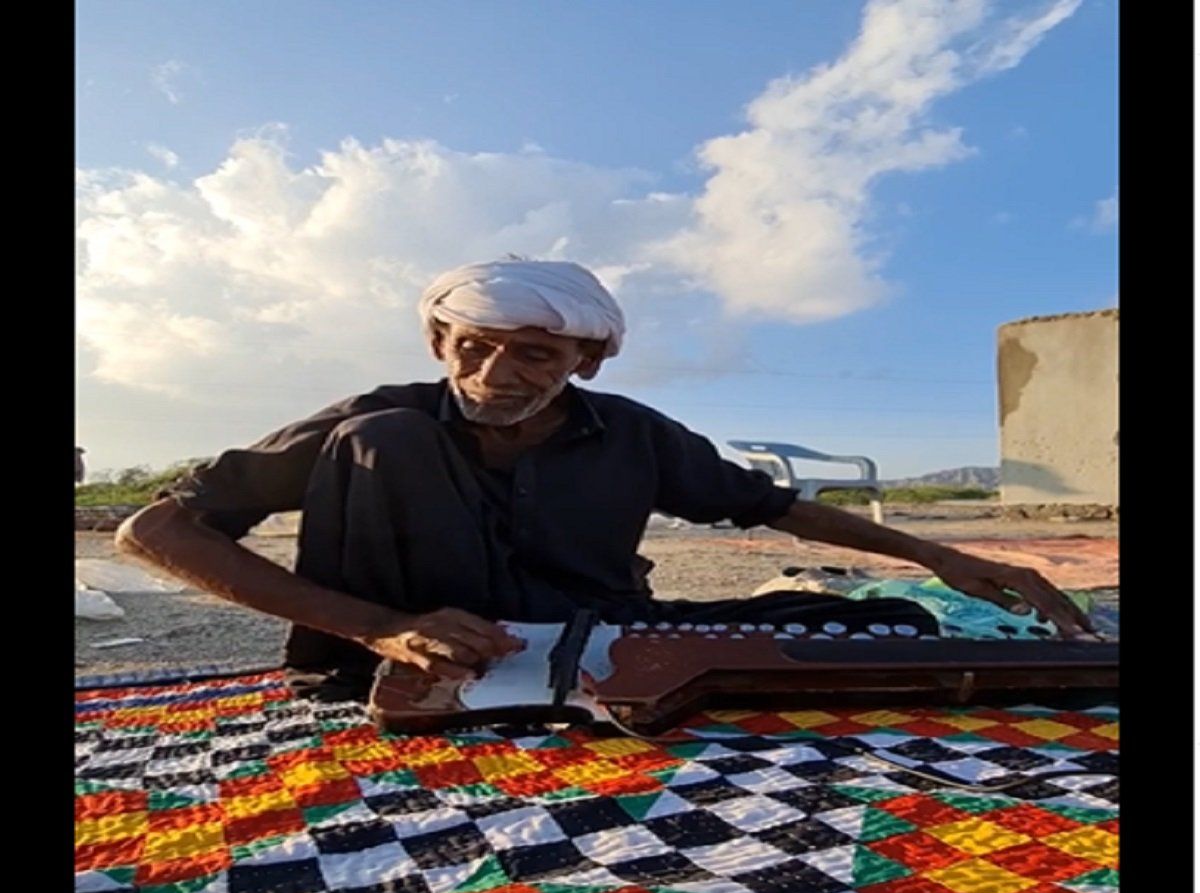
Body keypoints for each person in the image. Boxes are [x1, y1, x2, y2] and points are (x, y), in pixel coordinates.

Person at [116, 259, 1093, 698]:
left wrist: (941, 556)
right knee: (387, 437)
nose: (495, 375)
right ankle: (394, 671)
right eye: (474, 347)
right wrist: (372, 627)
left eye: (535, 355)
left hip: (596, 639)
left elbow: (772, 506)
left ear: (585, 361)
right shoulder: (386, 417)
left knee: (886, 631)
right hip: (414, 655)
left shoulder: (630, 433)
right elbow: (152, 532)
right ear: (438, 341)